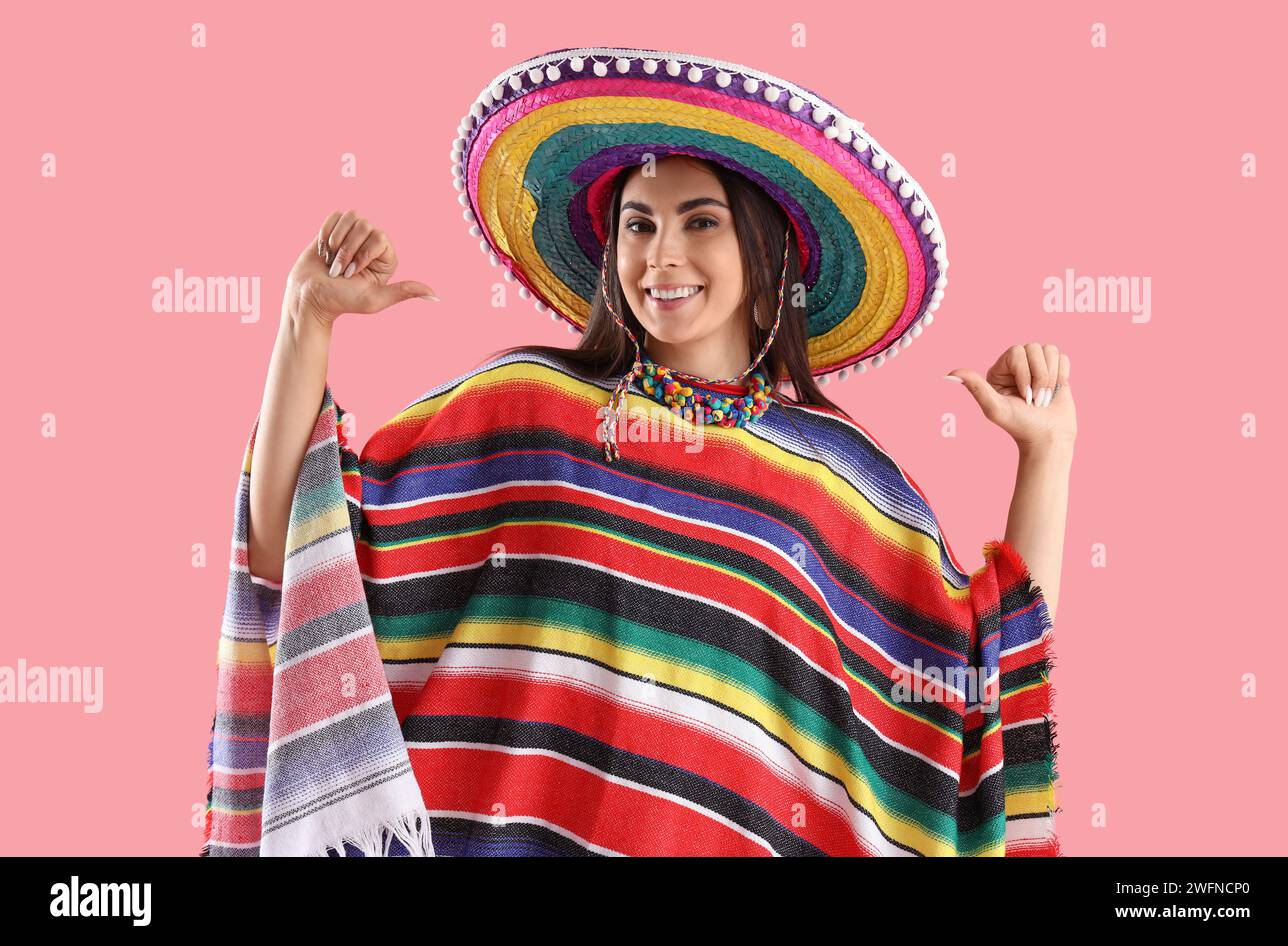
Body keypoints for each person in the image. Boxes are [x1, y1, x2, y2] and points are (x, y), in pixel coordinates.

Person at [203, 48, 1073, 857]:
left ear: (769, 253)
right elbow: (299, 558)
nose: (662, 256)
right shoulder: (525, 408)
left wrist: (1049, 455)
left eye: (702, 223)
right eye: (638, 224)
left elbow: (976, 696)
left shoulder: (838, 488)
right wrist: (302, 321)